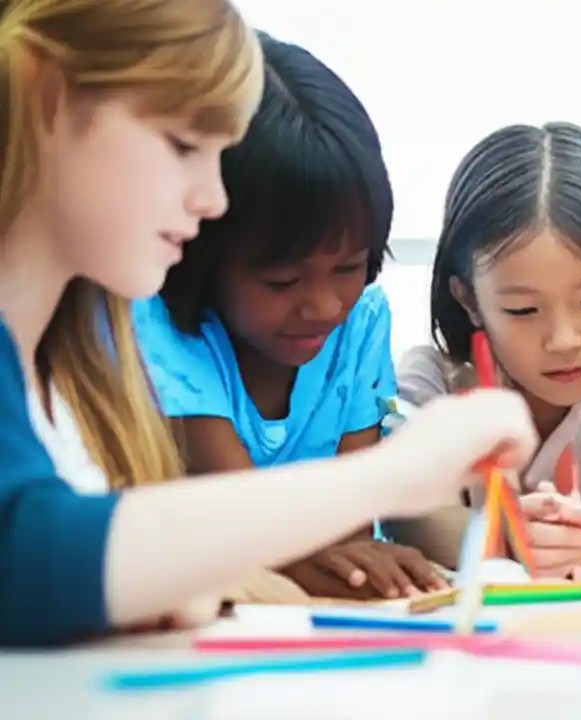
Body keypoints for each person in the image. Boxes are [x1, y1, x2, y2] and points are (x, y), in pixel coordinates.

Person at [0, 0, 535, 647]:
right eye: (183, 145)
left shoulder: (70, 354)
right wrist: (399, 471)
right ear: (50, 97)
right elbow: (23, 554)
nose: (213, 199)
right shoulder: (132, 336)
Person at [390, 122, 581, 579]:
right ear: (469, 301)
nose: (564, 339)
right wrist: (505, 538)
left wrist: (501, 541)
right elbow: (408, 514)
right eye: (523, 310)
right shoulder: (432, 375)